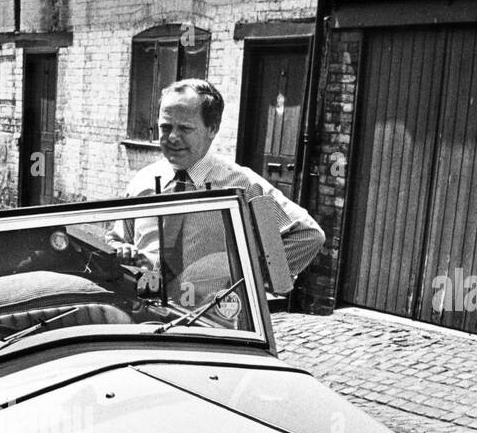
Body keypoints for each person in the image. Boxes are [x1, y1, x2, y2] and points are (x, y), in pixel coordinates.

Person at [109, 78, 325, 284]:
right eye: (165, 127)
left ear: (212, 129)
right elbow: (116, 239)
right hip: (146, 312)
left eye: (184, 128)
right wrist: (121, 250)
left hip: (212, 314)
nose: (172, 137)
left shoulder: (241, 186)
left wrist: (242, 274)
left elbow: (307, 236)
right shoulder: (143, 181)